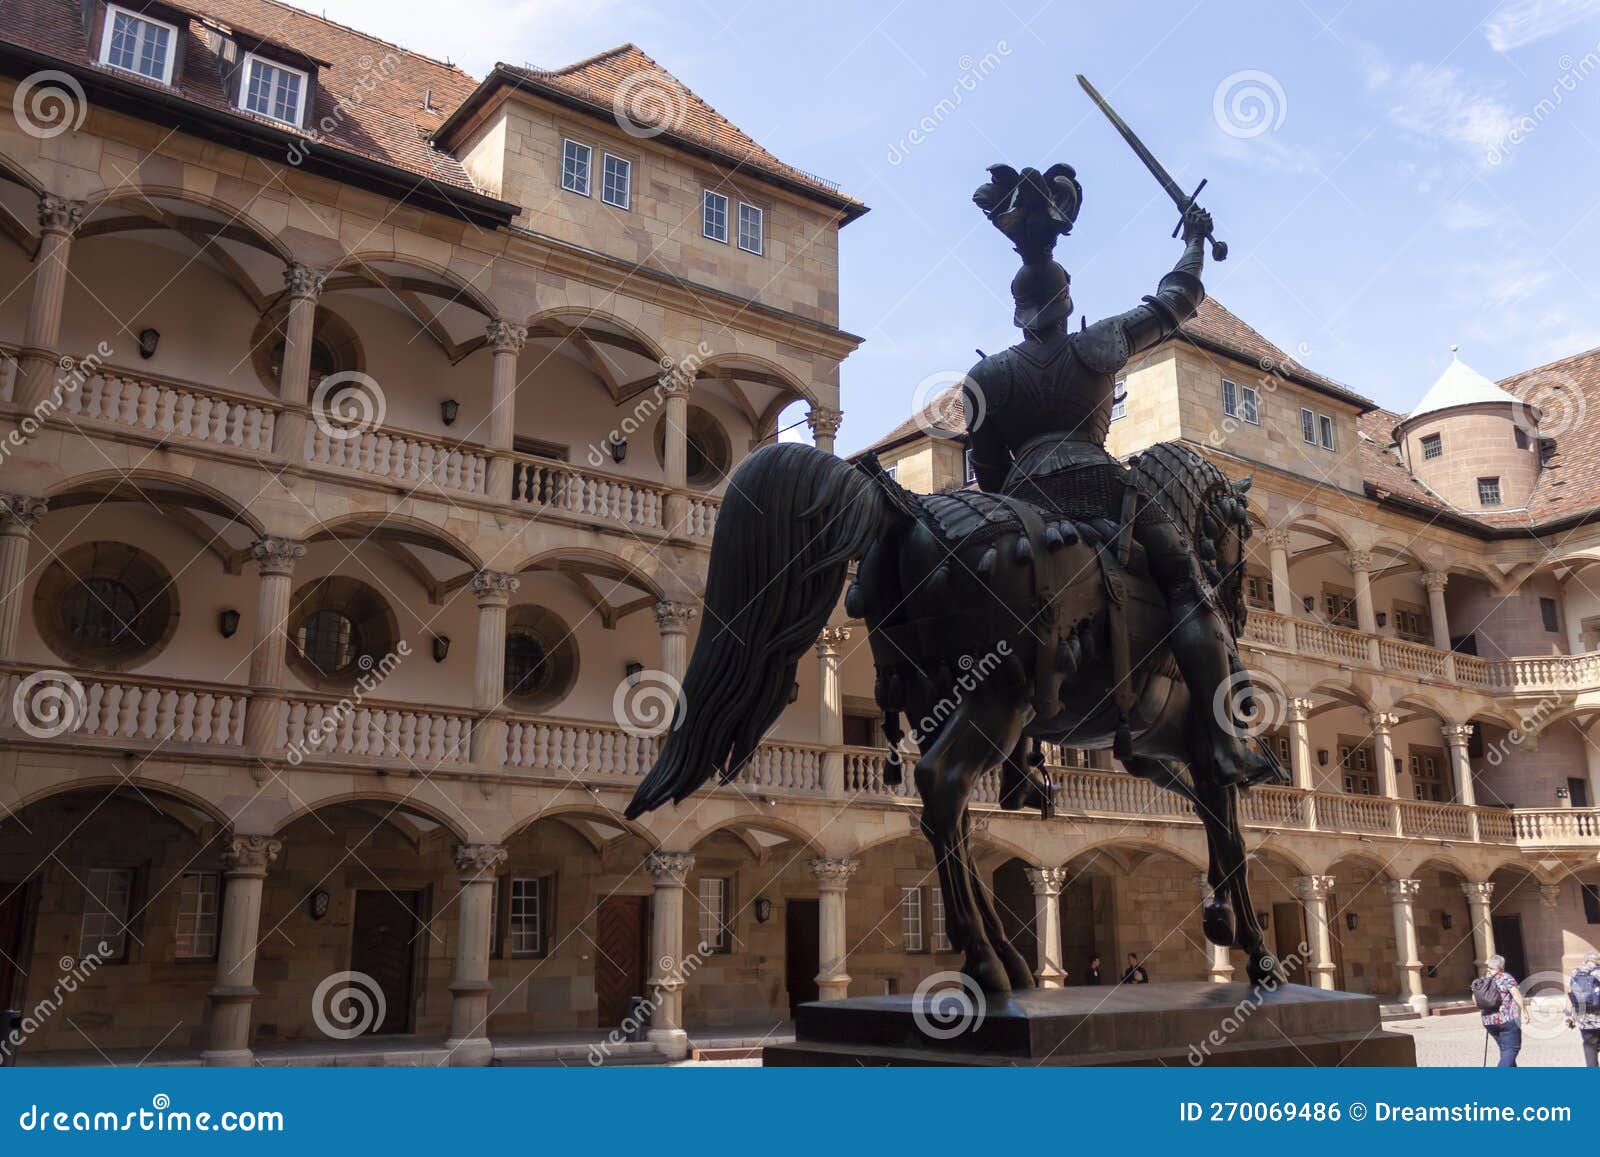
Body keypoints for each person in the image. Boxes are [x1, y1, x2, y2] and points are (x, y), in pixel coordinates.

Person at [963, 166, 1279, 790]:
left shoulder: (989, 376)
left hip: (1022, 504)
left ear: (1020, 312)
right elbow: (1177, 300)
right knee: (1190, 585)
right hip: (1102, 492)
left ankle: (1017, 760)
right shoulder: (1097, 344)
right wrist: (1192, 239)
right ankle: (1222, 741)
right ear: (1066, 303)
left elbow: (989, 469)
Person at [1477, 954, 1527, 1067]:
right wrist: (1524, 1011)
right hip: (1507, 1019)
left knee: (1506, 1051)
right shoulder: (1505, 977)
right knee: (1512, 1049)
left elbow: (1476, 1000)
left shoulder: (1481, 980)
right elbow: (1515, 993)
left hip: (1489, 1021)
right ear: (1501, 966)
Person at [1567, 951, 1600, 1067]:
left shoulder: (1575, 973)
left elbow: (1570, 994)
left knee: (1589, 1046)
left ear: (1585, 961)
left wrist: (1570, 1015)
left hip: (1584, 1018)